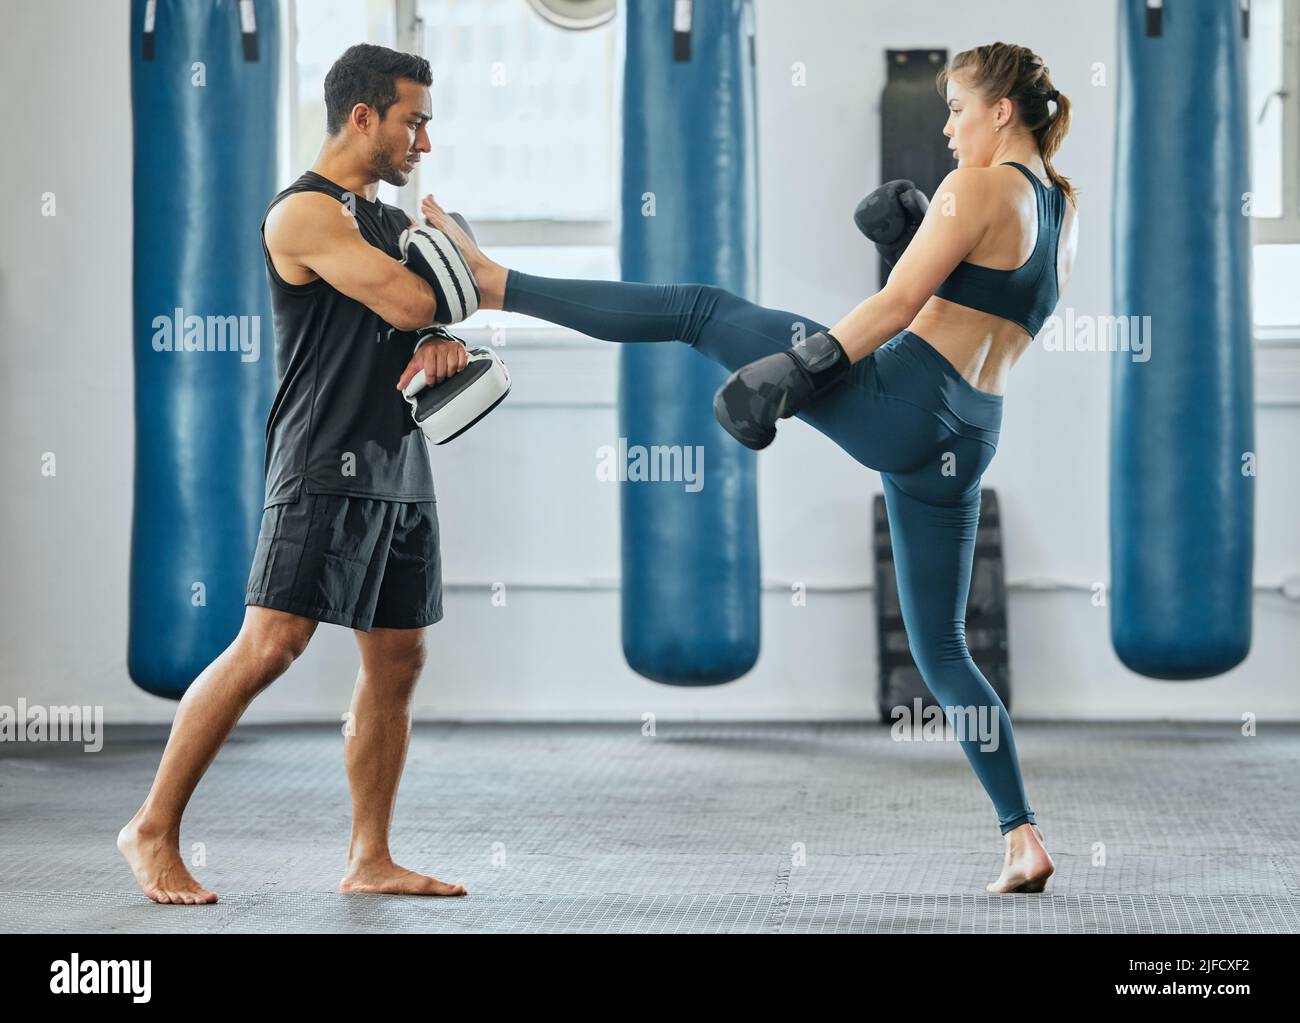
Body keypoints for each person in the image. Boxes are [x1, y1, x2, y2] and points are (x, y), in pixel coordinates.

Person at [424, 41, 1076, 894]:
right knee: (945, 651)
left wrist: (798, 372)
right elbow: (993, 300)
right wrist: (922, 232)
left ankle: (493, 282)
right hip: (967, 436)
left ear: (1001, 111)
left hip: (905, 397)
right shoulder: (1056, 204)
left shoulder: (978, 185)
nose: (948, 129)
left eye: (956, 109)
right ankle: (1021, 835)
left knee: (702, 310)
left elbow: (895, 305)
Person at [118, 44, 470, 904]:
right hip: (321, 461)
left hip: (398, 461)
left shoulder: (387, 222)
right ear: (362, 116)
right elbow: (414, 300)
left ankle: (369, 855)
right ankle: (152, 827)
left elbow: (427, 324)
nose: (423, 139)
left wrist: (444, 332)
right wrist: (449, 267)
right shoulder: (303, 216)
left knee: (399, 659)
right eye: (411, 119)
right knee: (271, 643)